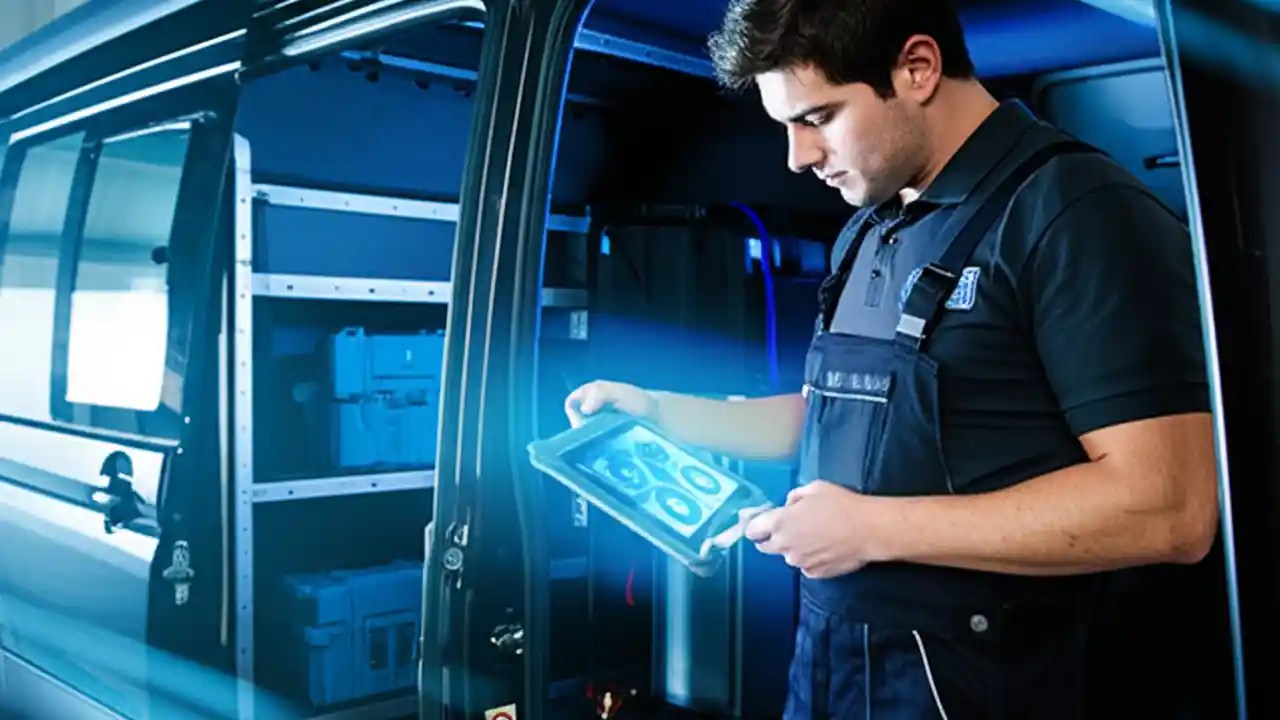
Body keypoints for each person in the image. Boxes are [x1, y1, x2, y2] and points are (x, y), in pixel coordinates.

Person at [565, 0, 1232, 718]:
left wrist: (868, 529)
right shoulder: (869, 229)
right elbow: (830, 418)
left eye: (818, 118)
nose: (797, 157)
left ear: (917, 68)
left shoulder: (1077, 214)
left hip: (989, 685)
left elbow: (1169, 509)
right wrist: (659, 411)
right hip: (833, 675)